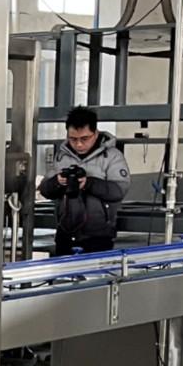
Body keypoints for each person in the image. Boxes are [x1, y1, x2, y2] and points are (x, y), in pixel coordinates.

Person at [39, 106, 131, 257]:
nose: (79, 144)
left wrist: (88, 183)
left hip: (99, 236)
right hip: (65, 235)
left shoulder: (112, 157)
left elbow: (118, 190)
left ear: (95, 133)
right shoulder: (62, 156)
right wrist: (57, 181)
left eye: (84, 139)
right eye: (73, 139)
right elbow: (45, 190)